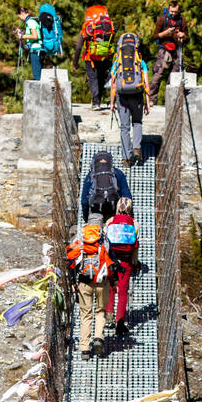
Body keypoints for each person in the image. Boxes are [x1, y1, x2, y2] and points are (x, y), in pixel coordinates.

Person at [66, 221, 114, 360]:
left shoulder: (80, 242)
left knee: (85, 315)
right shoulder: (105, 242)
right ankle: (98, 337)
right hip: (101, 282)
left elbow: (71, 262)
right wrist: (113, 279)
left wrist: (72, 282)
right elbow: (111, 261)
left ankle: (85, 349)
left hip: (84, 283)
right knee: (100, 311)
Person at [108, 32, 150, 168]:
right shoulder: (140, 61)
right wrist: (148, 103)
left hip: (122, 97)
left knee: (124, 128)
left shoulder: (117, 62)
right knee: (137, 122)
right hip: (137, 96)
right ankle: (137, 148)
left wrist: (112, 103)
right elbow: (146, 83)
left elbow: (113, 84)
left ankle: (126, 159)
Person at [103, 198, 139, 338]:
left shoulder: (110, 221)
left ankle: (109, 314)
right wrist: (135, 262)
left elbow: (105, 243)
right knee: (123, 292)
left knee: (111, 286)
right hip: (126, 261)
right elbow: (135, 246)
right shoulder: (134, 224)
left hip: (112, 260)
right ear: (130, 209)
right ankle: (120, 322)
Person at [73, 5, 115, 110]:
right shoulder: (109, 26)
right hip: (104, 57)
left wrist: (75, 63)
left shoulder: (88, 28)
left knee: (93, 79)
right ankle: (99, 100)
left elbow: (78, 47)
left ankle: (96, 103)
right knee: (101, 79)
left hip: (90, 58)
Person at [148, 1, 189, 106]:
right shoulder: (162, 19)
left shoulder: (182, 20)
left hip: (177, 49)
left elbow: (187, 38)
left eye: (175, 12)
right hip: (164, 49)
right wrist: (165, 33)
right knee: (158, 74)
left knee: (175, 76)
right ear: (169, 9)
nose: (173, 14)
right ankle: (151, 99)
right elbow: (155, 36)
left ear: (178, 10)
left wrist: (183, 35)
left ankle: (171, 100)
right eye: (172, 11)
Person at [80, 150, 132, 222]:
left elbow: (84, 201)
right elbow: (127, 196)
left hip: (96, 212)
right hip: (113, 212)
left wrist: (86, 218)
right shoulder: (118, 173)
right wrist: (127, 216)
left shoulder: (90, 176)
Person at [16, 8, 43, 81]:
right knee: (38, 73)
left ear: (22, 13)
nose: (20, 18)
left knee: (37, 76)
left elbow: (35, 36)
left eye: (19, 16)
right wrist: (23, 33)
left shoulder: (30, 22)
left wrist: (23, 36)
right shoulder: (30, 22)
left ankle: (38, 91)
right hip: (36, 49)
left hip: (35, 50)